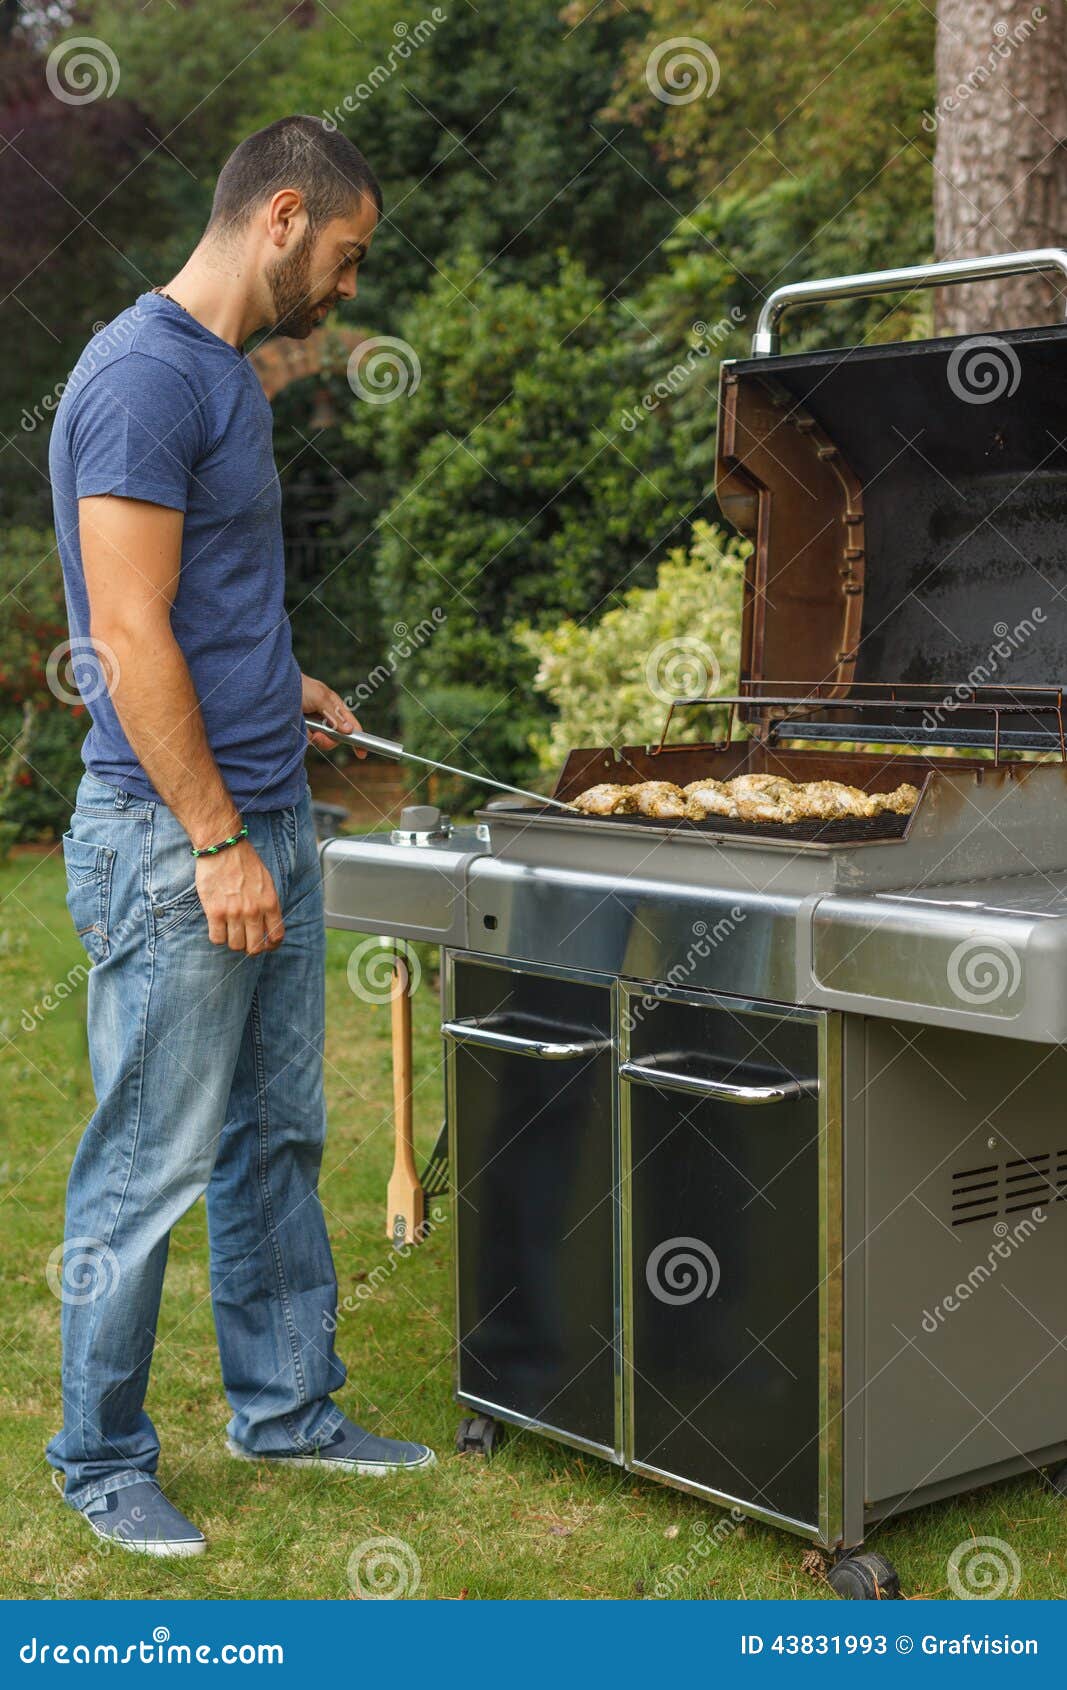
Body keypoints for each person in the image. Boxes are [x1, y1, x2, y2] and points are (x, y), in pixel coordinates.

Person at [45, 115, 435, 1560]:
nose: (348, 286)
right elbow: (126, 630)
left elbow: (202, 609)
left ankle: (285, 1406)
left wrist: (285, 683)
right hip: (175, 835)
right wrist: (216, 838)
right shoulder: (146, 376)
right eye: (346, 256)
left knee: (277, 1134)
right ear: (282, 216)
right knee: (149, 1155)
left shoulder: (219, 374)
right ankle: (99, 1453)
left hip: (265, 799)